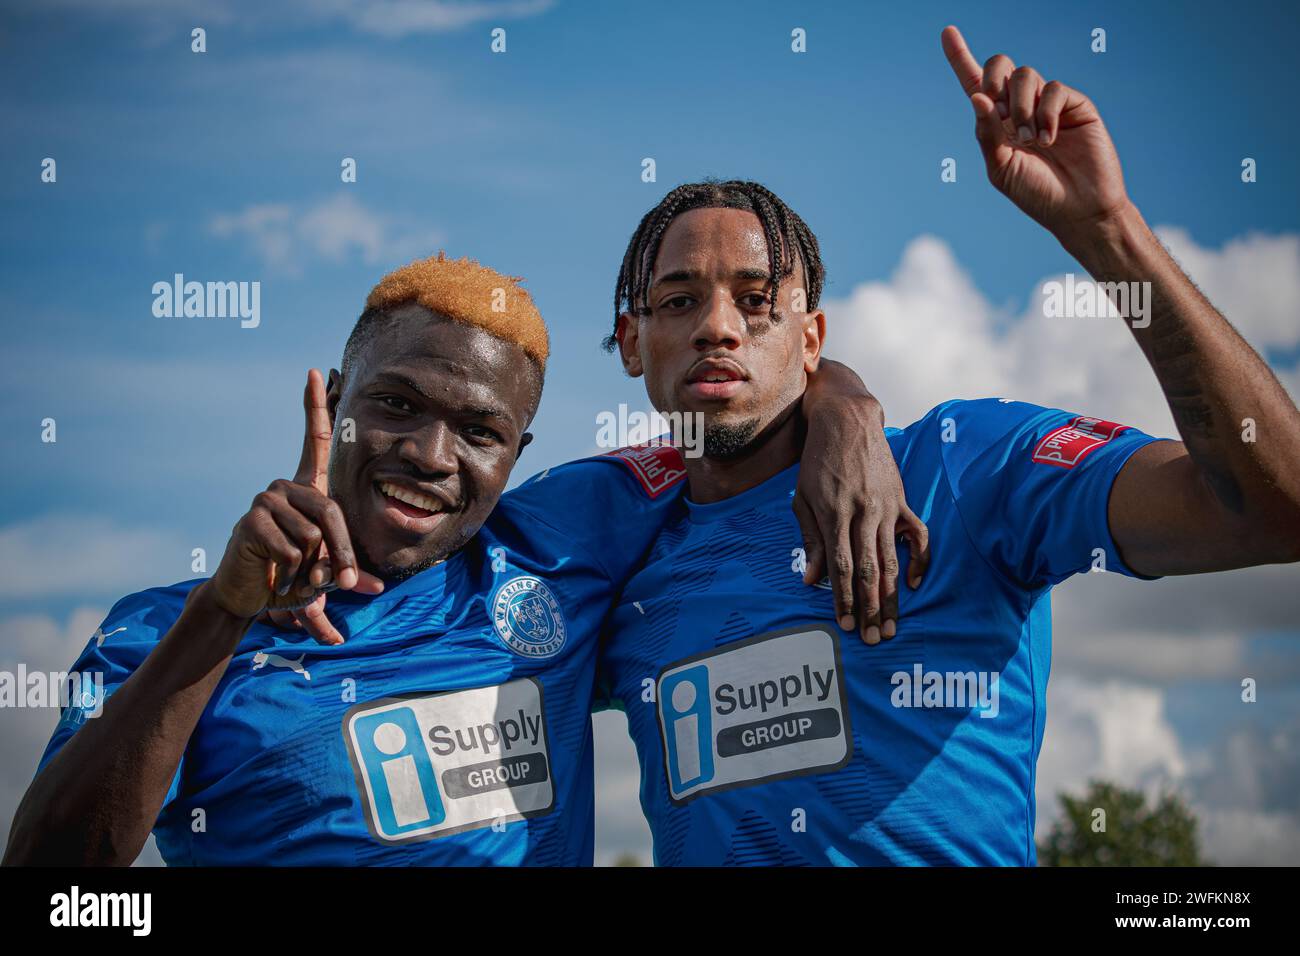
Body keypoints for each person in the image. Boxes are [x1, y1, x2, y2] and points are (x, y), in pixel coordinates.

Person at [594, 27, 1300, 866]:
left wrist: (1108, 230)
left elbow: (1273, 510)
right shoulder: (607, 553)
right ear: (631, 343)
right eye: (677, 302)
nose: (717, 326)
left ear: (812, 339)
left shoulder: (968, 467)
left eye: (756, 301)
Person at [4, 253, 917, 866]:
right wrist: (222, 612)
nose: (432, 457)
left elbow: (743, 417)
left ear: (518, 456)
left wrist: (846, 404)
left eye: (479, 431)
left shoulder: (561, 538)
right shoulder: (166, 629)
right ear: (334, 398)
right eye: (398, 406)